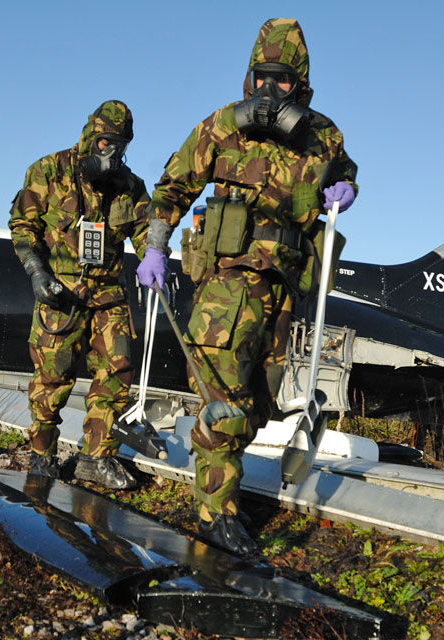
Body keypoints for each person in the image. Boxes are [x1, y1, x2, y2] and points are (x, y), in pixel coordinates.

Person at [136, 18, 359, 555]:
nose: (269, 90)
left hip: (285, 287)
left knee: (259, 403)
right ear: (248, 76)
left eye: (283, 81)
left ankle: (216, 481)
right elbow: (174, 186)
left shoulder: (323, 134)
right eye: (262, 76)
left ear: (300, 83)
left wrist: (349, 186)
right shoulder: (220, 127)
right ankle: (216, 514)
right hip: (227, 286)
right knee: (224, 398)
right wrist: (155, 245)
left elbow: (344, 171)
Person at [9, 100, 149, 490]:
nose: (111, 152)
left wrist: (155, 251)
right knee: (52, 379)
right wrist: (37, 272)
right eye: (105, 142)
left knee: (116, 375)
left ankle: (95, 458)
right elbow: (23, 226)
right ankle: (43, 458)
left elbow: (146, 231)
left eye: (119, 145)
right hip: (60, 293)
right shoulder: (49, 171)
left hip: (108, 296)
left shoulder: (130, 187)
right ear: (91, 136)